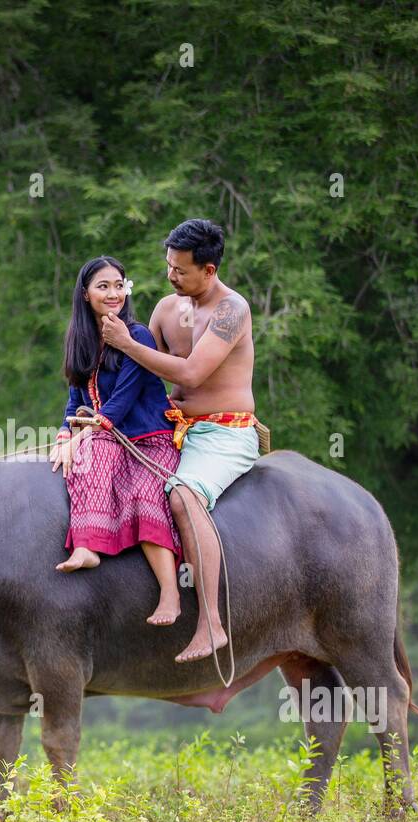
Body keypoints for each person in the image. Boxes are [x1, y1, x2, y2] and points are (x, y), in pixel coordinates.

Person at [99, 219, 259, 663]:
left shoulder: (232, 310)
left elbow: (189, 373)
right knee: (104, 466)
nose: (171, 276)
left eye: (181, 270)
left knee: (184, 496)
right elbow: (146, 378)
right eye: (168, 266)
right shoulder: (168, 310)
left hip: (222, 432)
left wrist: (127, 343)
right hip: (172, 423)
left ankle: (211, 623)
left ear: (209, 270)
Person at [48, 255, 184, 626]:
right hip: (111, 438)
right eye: (103, 286)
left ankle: (170, 596)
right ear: (86, 294)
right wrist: (64, 433)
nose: (113, 293)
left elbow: (122, 401)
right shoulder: (83, 339)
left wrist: (84, 436)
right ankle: (87, 547)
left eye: (118, 285)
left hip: (149, 441)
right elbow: (75, 399)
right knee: (81, 455)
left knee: (142, 494)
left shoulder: (136, 336)